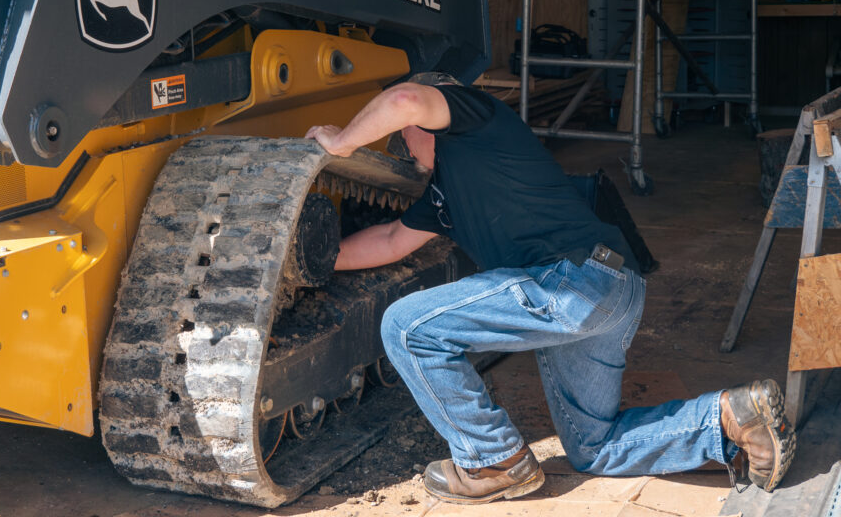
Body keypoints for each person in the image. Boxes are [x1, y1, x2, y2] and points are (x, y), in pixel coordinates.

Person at [305, 74, 796, 505]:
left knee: (407, 327)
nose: (399, 145)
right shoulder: (442, 196)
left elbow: (406, 99)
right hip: (611, 291)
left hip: (573, 282)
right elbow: (391, 240)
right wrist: (311, 262)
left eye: (401, 136)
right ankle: (731, 418)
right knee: (593, 449)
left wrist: (343, 141)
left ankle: (492, 460)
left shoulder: (474, 121)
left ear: (428, 120)